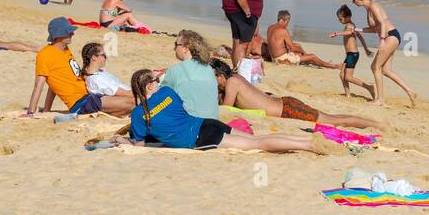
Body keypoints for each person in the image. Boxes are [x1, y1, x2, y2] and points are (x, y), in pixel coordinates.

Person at [122, 70, 341, 155]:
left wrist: (121, 141)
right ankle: (305, 139)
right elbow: (180, 110)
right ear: (149, 86)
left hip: (202, 137)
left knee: (258, 145)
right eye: (155, 80)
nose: (159, 82)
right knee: (259, 139)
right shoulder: (168, 93)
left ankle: (308, 145)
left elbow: (140, 143)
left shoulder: (139, 115)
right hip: (207, 124)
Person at [212, 59, 379, 130]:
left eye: (214, 79)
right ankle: (373, 123)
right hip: (285, 104)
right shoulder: (236, 77)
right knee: (332, 118)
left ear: (220, 76)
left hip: (287, 110)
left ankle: (378, 125)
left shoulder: (232, 83)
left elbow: (227, 110)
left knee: (333, 121)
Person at [29, 18, 132, 115]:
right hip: (81, 103)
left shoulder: (64, 50)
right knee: (133, 102)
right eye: (69, 32)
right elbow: (38, 85)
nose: (73, 33)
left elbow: (53, 85)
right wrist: (31, 112)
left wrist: (47, 109)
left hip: (90, 96)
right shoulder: (45, 54)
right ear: (59, 35)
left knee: (132, 101)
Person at [350, 0, 417, 107]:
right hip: (390, 36)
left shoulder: (373, 6)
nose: (352, 2)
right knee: (386, 70)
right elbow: (374, 29)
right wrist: (356, 29)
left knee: (375, 67)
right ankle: (410, 92)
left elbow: (382, 23)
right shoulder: (368, 9)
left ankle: (380, 100)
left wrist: (381, 40)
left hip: (390, 36)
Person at [156, 29, 220, 117]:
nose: (174, 48)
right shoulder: (209, 69)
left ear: (185, 48)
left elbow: (161, 99)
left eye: (176, 44)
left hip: (190, 125)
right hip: (213, 122)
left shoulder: (175, 70)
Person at [328, 4, 376, 98]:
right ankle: (348, 95)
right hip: (350, 54)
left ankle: (369, 87)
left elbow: (349, 32)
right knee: (342, 75)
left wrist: (336, 34)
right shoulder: (352, 25)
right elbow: (360, 37)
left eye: (341, 19)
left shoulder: (349, 26)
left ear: (348, 17)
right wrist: (366, 49)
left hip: (352, 55)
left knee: (348, 77)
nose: (339, 20)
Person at [266, 10, 338, 68]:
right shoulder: (283, 31)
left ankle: (309, 59)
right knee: (312, 56)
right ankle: (331, 66)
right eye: (288, 22)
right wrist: (303, 51)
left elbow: (276, 44)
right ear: (286, 20)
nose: (287, 24)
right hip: (283, 60)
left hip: (274, 58)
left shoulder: (270, 28)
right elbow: (293, 48)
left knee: (298, 45)